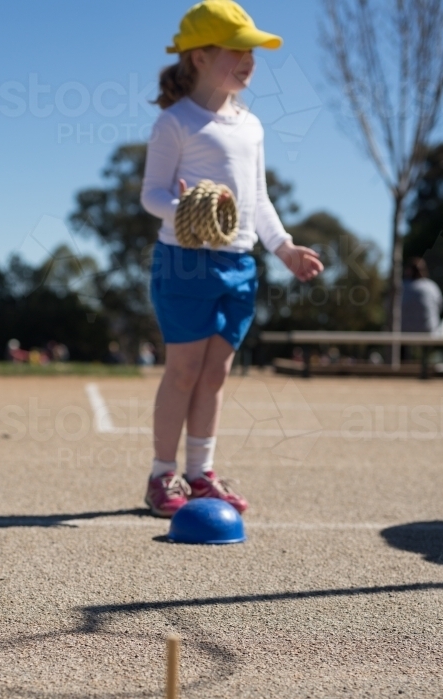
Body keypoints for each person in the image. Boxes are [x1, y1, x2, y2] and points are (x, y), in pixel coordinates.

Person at [140, 0, 323, 518]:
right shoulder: (175, 122)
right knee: (183, 371)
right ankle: (162, 475)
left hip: (239, 265)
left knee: (216, 375)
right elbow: (151, 195)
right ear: (199, 56)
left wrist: (283, 247)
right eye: (236, 50)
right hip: (184, 262)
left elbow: (258, 199)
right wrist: (182, 210)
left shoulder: (251, 127)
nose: (249, 61)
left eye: (252, 52)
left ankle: (200, 474)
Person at [401, 258, 443, 334]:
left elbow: (388, 308)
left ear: (409, 270)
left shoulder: (400, 287)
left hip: (403, 334)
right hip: (430, 333)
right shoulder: (432, 286)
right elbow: (439, 307)